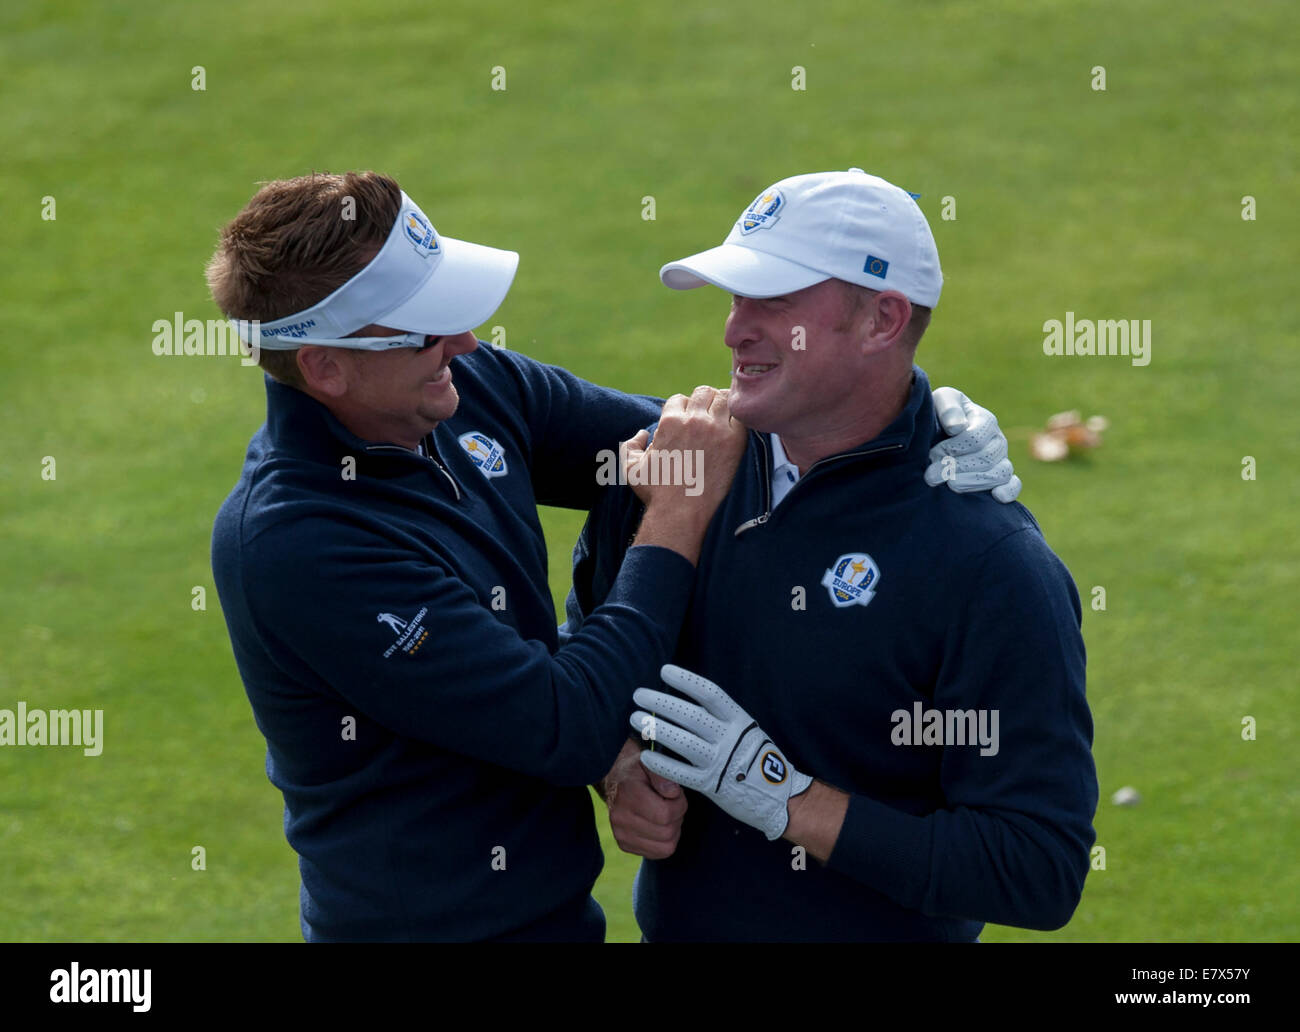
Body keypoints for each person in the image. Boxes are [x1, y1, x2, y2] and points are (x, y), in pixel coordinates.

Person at [207, 170, 1017, 942]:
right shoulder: (299, 546)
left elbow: (707, 447)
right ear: (325, 367)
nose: (466, 337)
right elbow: (566, 720)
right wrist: (676, 518)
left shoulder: (462, 387)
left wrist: (917, 424)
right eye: (427, 328)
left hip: (555, 926)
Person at [576, 168, 1098, 942]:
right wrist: (618, 763)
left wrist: (785, 798)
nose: (733, 330)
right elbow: (587, 648)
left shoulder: (990, 565)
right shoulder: (672, 469)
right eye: (734, 297)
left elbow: (1038, 868)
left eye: (773, 302)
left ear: (883, 320)